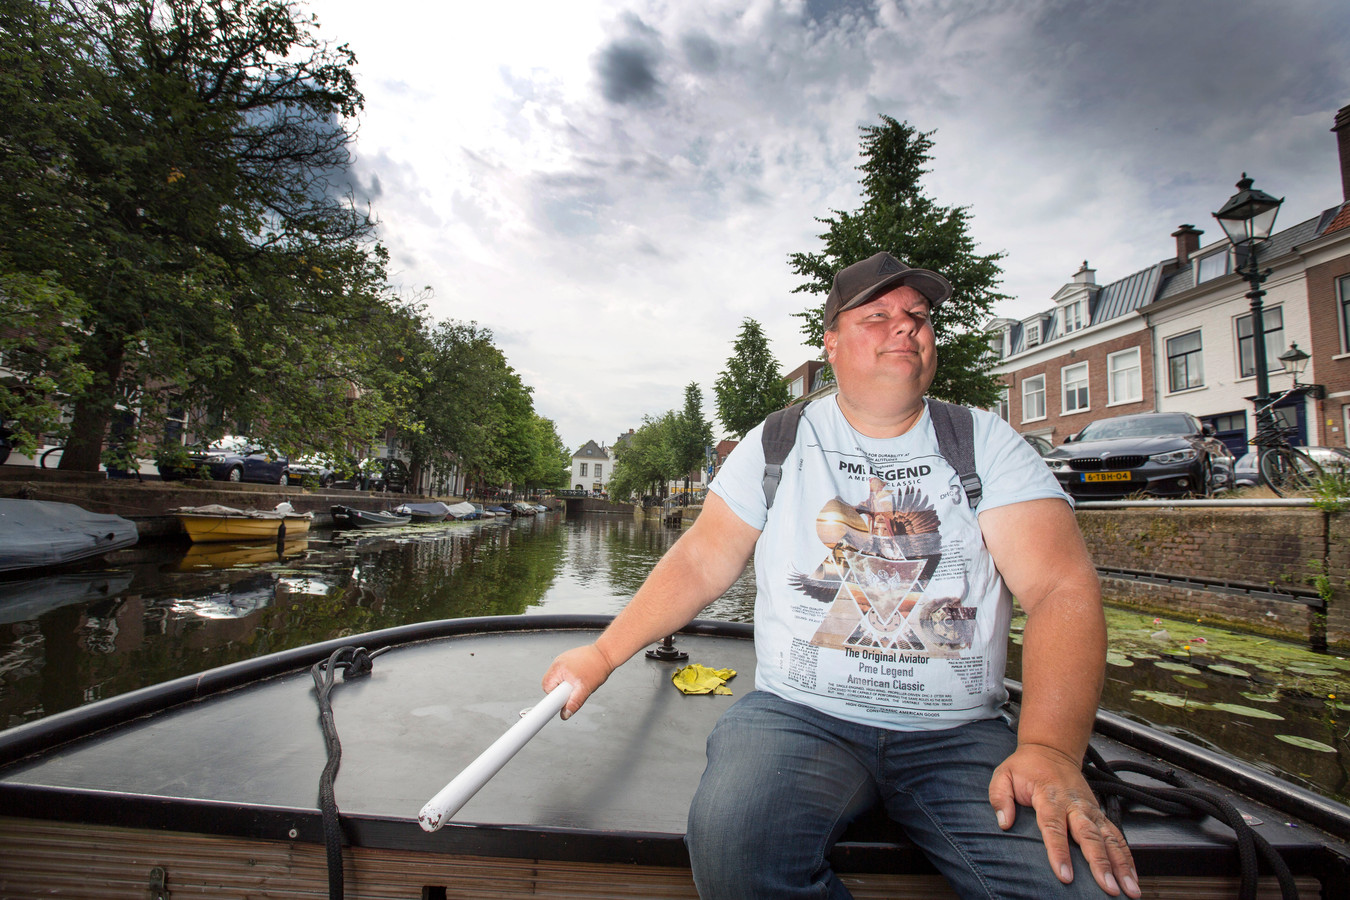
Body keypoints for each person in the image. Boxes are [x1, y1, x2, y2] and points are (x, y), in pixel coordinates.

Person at [543, 252, 1140, 899]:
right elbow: (700, 558)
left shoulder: (985, 443)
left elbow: (1060, 588)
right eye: (877, 315)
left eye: (917, 316)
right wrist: (603, 653)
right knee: (736, 843)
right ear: (830, 343)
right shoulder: (777, 442)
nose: (904, 327)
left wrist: (1050, 750)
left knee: (1075, 890)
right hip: (799, 719)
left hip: (958, 737)